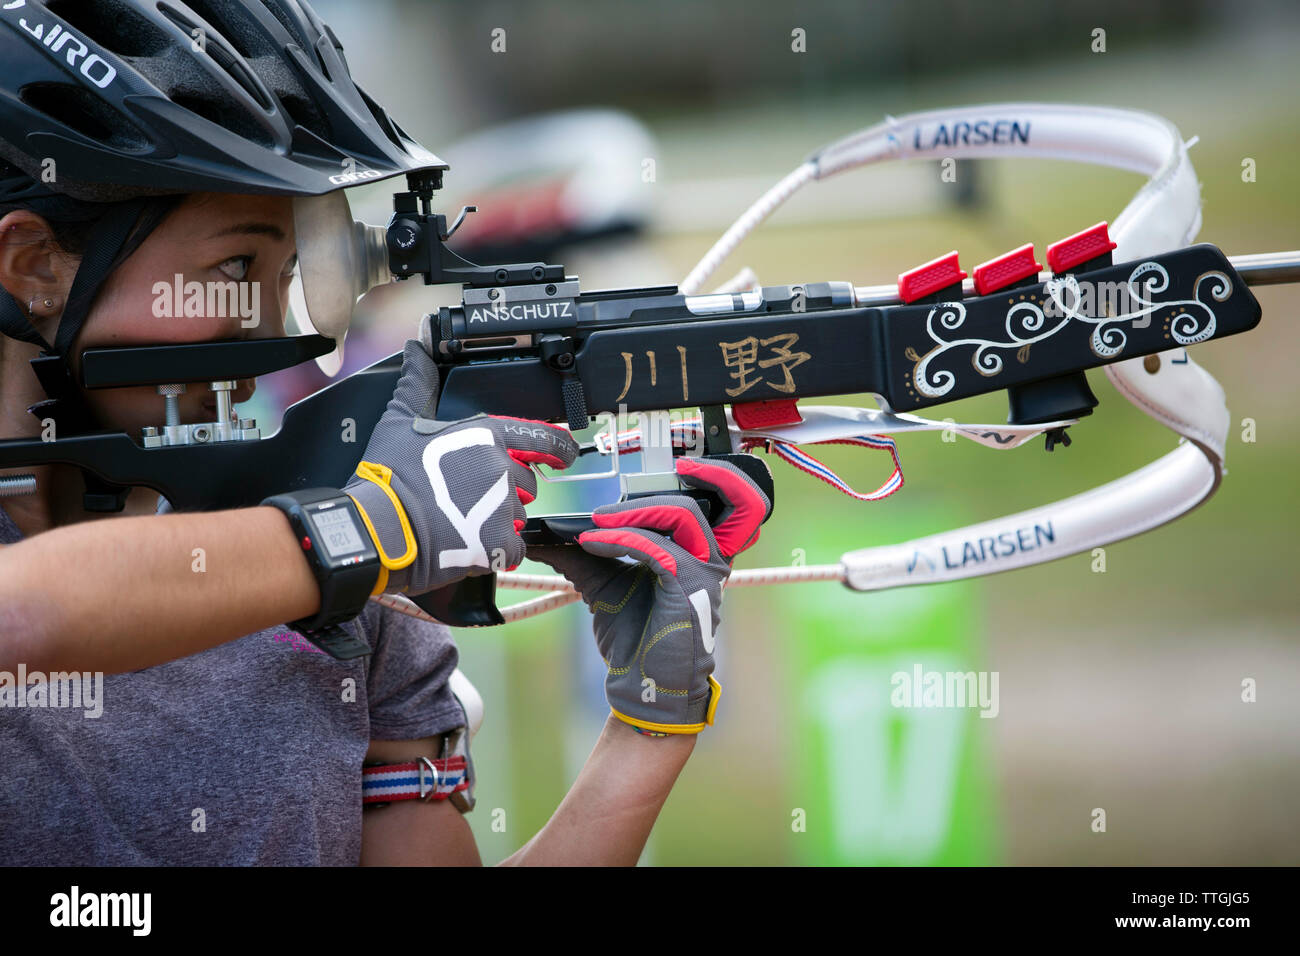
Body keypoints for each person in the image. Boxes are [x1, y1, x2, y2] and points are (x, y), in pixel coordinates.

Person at [0, 0, 771, 865]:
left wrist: (646, 733)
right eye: (231, 268)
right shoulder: (338, 541)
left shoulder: (338, 577)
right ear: (33, 268)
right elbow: (20, 615)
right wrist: (366, 530)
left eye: (285, 273)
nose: (262, 327)